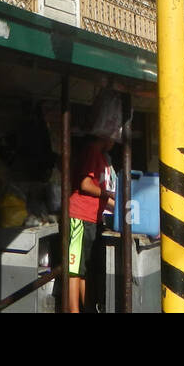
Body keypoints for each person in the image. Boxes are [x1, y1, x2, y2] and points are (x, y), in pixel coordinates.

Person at [67, 134, 114, 313]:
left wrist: (121, 207)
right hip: (79, 216)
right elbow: (85, 184)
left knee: (84, 268)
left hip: (92, 218)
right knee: (75, 269)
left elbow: (100, 193)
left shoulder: (101, 157)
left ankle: (87, 307)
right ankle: (73, 310)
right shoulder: (91, 152)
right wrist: (108, 195)